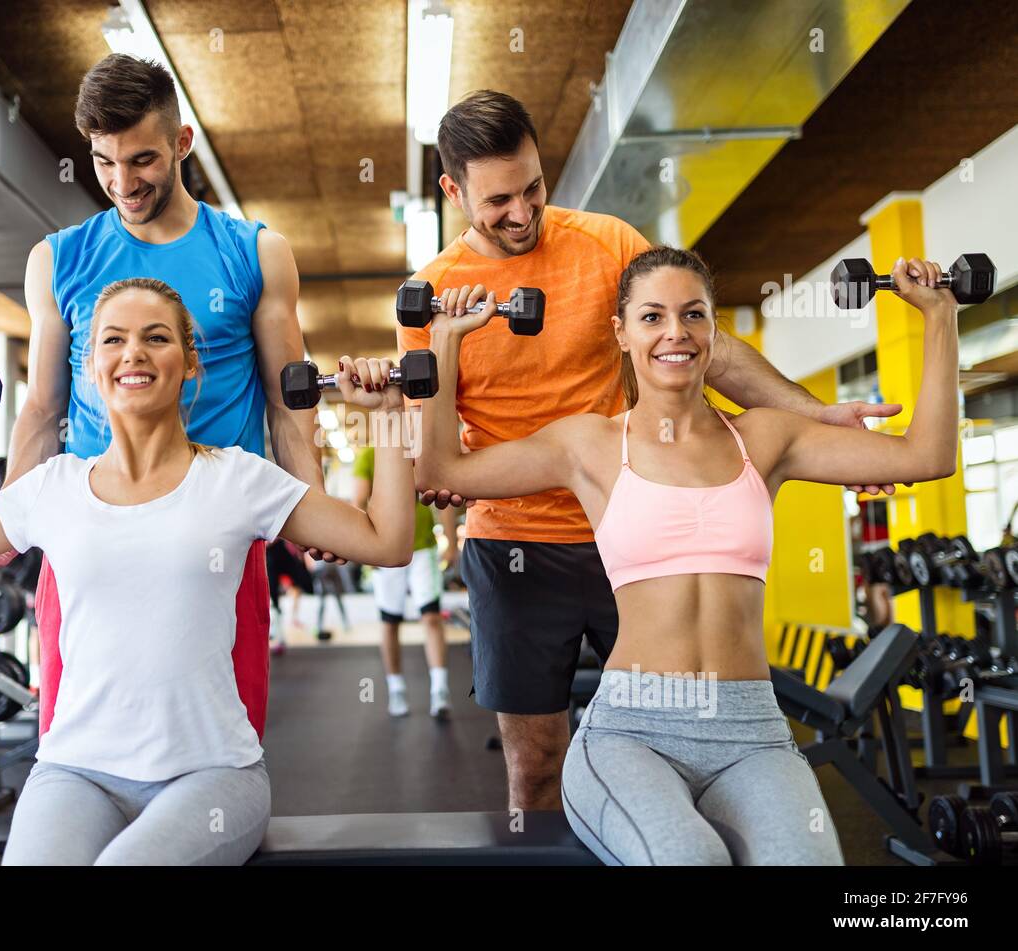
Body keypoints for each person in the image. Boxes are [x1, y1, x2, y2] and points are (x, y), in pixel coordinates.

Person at [399, 89, 902, 811]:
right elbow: (432, 438)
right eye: (498, 200)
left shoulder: (606, 242)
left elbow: (709, 351)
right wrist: (435, 473)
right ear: (452, 190)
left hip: (634, 531)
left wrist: (819, 418)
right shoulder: (431, 296)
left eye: (533, 187)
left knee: (681, 739)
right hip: (516, 544)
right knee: (536, 761)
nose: (522, 213)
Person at [417, 247, 959, 864]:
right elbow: (441, 471)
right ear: (621, 334)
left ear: (712, 328)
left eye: (693, 315)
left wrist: (939, 317)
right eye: (652, 317)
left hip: (751, 735)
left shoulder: (766, 437)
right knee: (688, 858)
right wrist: (445, 339)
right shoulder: (589, 445)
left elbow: (927, 455)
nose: (675, 333)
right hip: (631, 733)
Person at [0, 278, 415, 864]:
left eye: (155, 338)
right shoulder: (51, 490)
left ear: (189, 363)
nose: (132, 353)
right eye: (113, 339)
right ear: (90, 365)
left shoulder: (239, 479)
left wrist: (389, 411)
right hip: (75, 772)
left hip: (213, 775)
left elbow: (385, 541)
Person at [0, 54, 338, 741]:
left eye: (143, 160)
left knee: (226, 736)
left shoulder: (255, 252)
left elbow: (287, 401)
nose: (123, 183)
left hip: (215, 532)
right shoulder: (59, 258)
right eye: (104, 162)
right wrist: (9, 518)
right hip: (88, 532)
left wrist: (316, 507)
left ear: (183, 143)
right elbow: (42, 409)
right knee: (73, 739)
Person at [352, 445, 454, 718]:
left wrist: (451, 541)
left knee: (432, 617)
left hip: (423, 547)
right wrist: (366, 545)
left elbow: (440, 493)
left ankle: (440, 689)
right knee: (390, 622)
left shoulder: (419, 452)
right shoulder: (368, 456)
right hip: (386, 549)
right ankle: (396, 689)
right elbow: (358, 501)